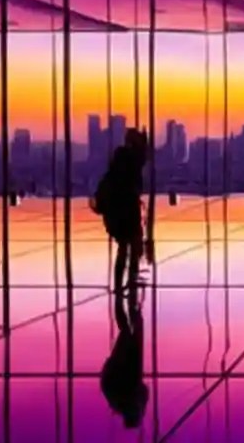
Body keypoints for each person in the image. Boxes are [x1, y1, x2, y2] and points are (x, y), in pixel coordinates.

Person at [96, 129, 148, 294]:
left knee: (125, 247)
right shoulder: (132, 159)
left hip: (117, 210)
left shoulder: (121, 158)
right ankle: (129, 280)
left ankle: (121, 284)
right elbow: (142, 161)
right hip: (126, 209)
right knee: (132, 245)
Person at [101, 288, 148, 428]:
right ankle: (130, 306)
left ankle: (122, 301)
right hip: (122, 373)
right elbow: (143, 388)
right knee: (131, 335)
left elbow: (109, 380)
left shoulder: (119, 400)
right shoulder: (135, 402)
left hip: (116, 372)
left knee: (127, 333)